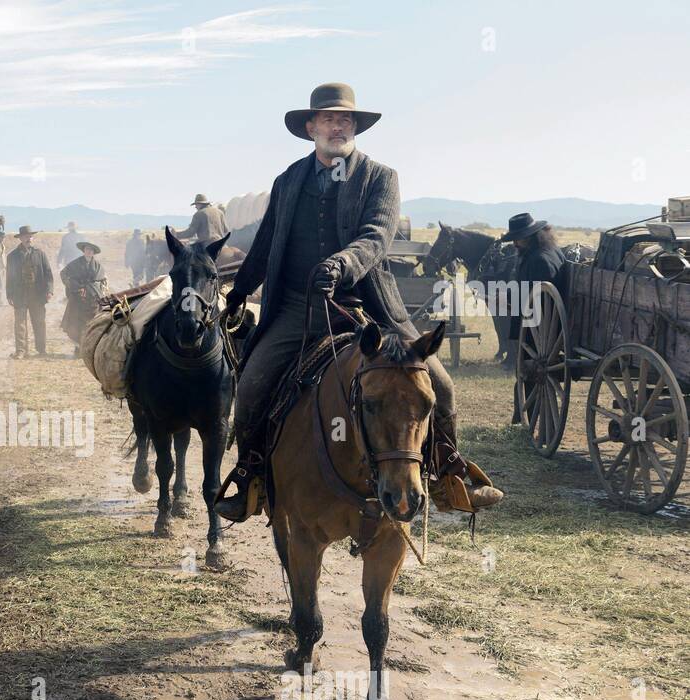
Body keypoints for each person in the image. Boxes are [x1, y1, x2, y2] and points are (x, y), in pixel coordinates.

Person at [214, 82, 502, 522]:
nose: (338, 125)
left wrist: (341, 265)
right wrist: (238, 291)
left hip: (367, 307)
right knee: (252, 383)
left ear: (355, 127)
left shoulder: (380, 178)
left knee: (439, 383)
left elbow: (376, 236)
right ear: (311, 127)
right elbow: (267, 242)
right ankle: (252, 474)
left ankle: (448, 475)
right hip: (296, 309)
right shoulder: (288, 180)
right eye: (328, 118)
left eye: (345, 119)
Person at [502, 213, 567, 363]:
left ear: (530, 237)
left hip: (540, 328)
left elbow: (535, 295)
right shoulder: (553, 251)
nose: (515, 243)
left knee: (529, 369)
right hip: (548, 322)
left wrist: (507, 297)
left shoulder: (538, 260)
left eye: (518, 238)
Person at [5, 226, 53, 358]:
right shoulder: (12, 256)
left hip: (37, 295)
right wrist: (9, 294)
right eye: (25, 236)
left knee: (39, 322)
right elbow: (9, 276)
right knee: (20, 324)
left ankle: (41, 350)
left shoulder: (40, 254)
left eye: (30, 236)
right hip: (20, 294)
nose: (28, 239)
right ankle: (21, 351)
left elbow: (48, 274)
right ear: (20, 238)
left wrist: (49, 290)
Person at [60, 241, 108, 356]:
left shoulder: (98, 266)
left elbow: (103, 281)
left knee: (92, 324)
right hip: (78, 300)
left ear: (94, 253)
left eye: (91, 250)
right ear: (83, 250)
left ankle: (90, 349)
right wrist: (76, 287)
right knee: (77, 324)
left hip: (93, 301)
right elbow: (64, 275)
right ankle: (78, 349)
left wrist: (101, 290)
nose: (89, 251)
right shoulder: (75, 264)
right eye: (87, 249)